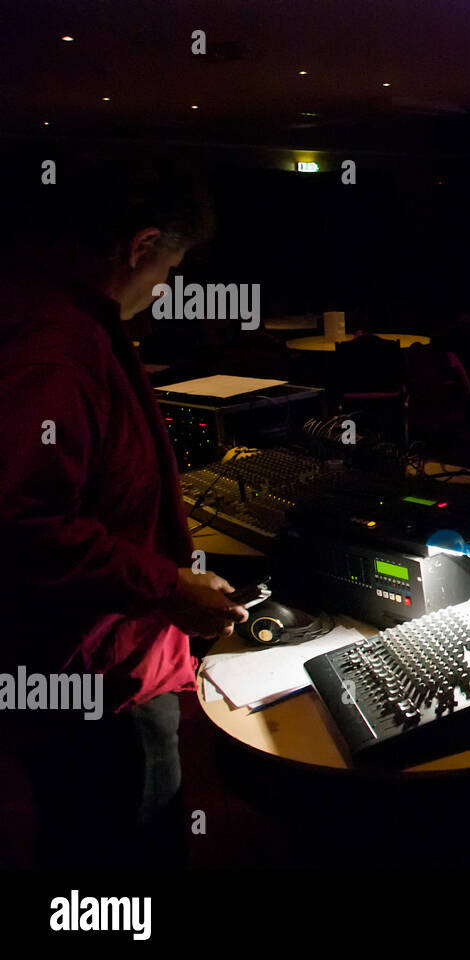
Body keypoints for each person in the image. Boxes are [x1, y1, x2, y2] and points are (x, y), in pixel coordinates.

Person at [0, 154, 248, 867]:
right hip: (96, 676)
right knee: (122, 848)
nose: (165, 285)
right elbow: (21, 526)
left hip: (81, 666)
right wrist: (167, 585)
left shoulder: (42, 311)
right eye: (169, 266)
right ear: (141, 246)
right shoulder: (55, 348)